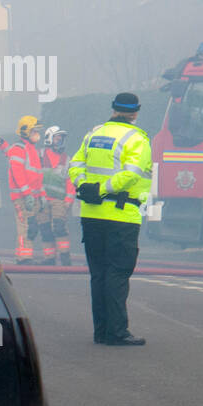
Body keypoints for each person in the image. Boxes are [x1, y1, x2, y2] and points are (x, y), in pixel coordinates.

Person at [68, 93, 152, 346]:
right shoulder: (137, 139)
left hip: (91, 215)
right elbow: (132, 174)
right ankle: (117, 332)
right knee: (117, 274)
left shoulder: (93, 134)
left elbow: (75, 164)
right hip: (121, 216)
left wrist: (85, 185)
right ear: (135, 113)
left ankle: (101, 331)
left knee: (99, 274)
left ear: (114, 109)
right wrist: (104, 188)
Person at [0, 116, 55, 265]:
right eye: (35, 131)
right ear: (26, 132)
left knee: (33, 227)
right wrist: (27, 194)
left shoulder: (32, 150)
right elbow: (18, 174)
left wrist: (42, 195)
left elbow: (37, 176)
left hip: (33, 197)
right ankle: (23, 258)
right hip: (22, 197)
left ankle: (31, 257)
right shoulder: (19, 149)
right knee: (25, 227)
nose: (38, 134)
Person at [40, 125, 75, 265]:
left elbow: (71, 181)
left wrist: (68, 200)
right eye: (57, 137)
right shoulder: (39, 156)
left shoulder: (67, 159)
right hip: (41, 199)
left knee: (60, 228)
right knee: (45, 229)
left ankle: (65, 257)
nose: (59, 140)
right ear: (49, 138)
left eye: (61, 137)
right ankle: (49, 259)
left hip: (59, 200)